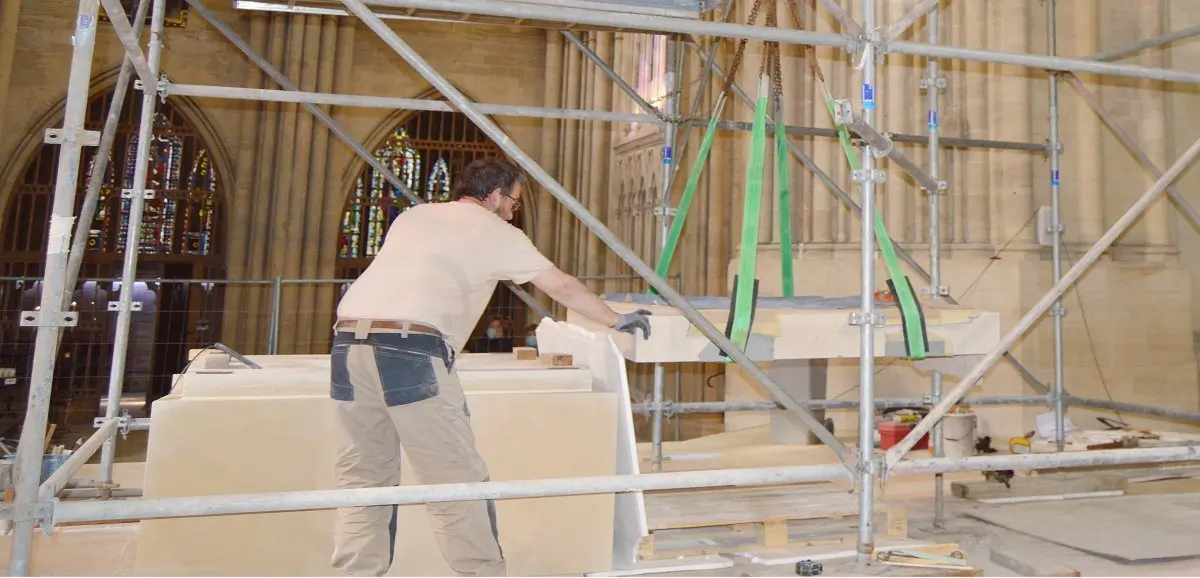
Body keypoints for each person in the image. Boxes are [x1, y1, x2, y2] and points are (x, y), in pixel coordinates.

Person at [328, 157, 651, 577]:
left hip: (348, 343)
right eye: (514, 202)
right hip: (410, 350)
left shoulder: (414, 216)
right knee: (456, 484)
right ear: (495, 196)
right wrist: (616, 319)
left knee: (363, 479)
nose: (514, 211)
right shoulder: (497, 231)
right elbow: (562, 286)